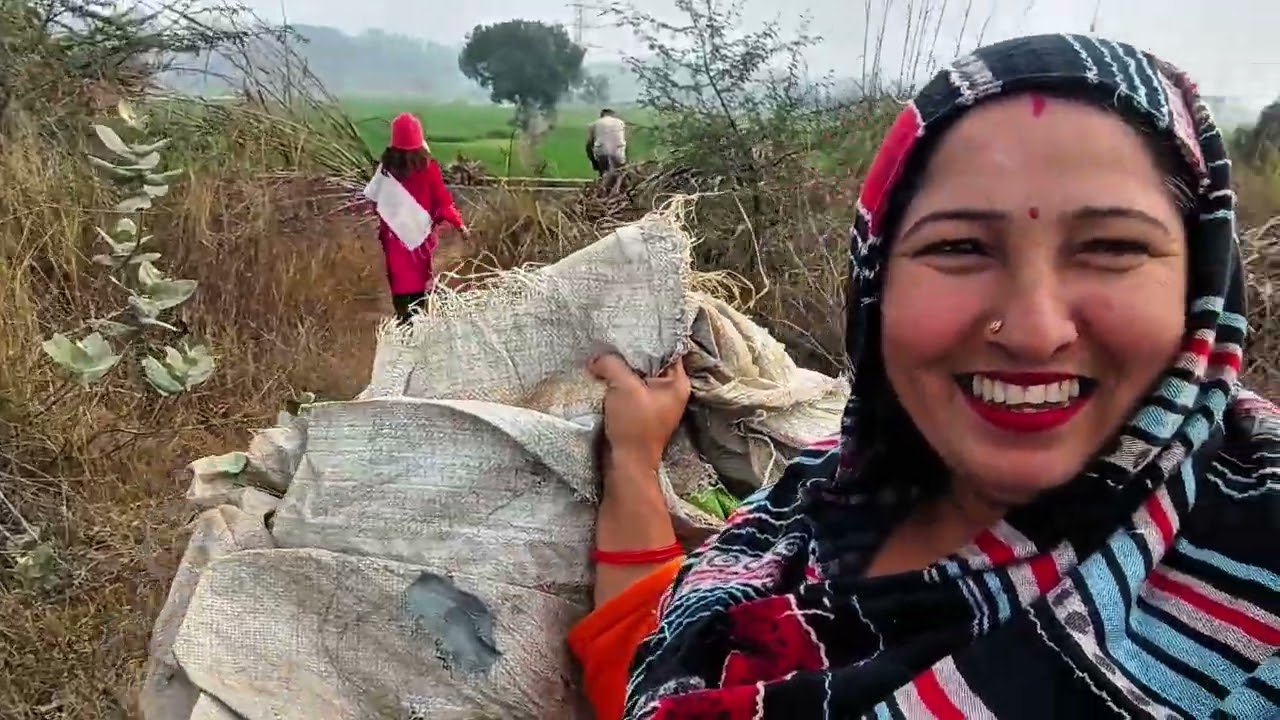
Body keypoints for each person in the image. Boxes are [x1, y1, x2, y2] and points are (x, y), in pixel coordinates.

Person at [569, 34, 1280, 720]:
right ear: (877, 283)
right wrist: (634, 454)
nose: (1035, 330)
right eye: (960, 247)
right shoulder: (805, 511)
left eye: (1114, 247)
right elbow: (640, 653)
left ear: (1200, 281)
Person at [364, 112, 470, 324]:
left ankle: (403, 323)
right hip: (420, 240)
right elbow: (443, 202)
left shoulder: (386, 169)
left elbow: (375, 200)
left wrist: (391, 215)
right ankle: (417, 324)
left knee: (400, 284)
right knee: (420, 284)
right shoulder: (429, 168)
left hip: (393, 241)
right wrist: (460, 225)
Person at [587, 108, 627, 177]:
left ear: (601, 115)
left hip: (602, 152)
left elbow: (589, 143)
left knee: (603, 170)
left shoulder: (595, 124)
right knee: (619, 172)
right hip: (618, 153)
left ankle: (601, 174)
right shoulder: (621, 123)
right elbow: (625, 141)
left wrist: (593, 161)